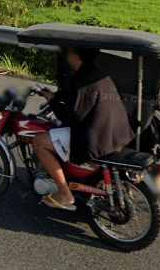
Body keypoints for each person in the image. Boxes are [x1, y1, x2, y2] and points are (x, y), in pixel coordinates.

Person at [28, 46, 133, 209]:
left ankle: (65, 194)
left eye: (68, 51)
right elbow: (73, 98)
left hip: (96, 139)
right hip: (117, 133)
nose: (66, 55)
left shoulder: (84, 80)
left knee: (39, 142)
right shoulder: (94, 73)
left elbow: (72, 117)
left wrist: (53, 101)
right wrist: (54, 96)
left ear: (76, 56)